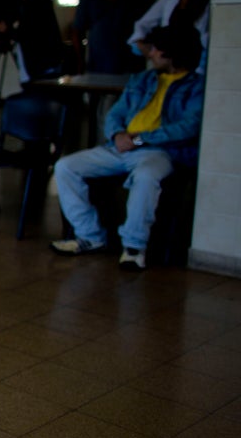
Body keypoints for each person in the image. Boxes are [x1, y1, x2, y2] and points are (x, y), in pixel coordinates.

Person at [50, 25, 204, 271]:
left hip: (161, 150)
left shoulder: (196, 86)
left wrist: (140, 139)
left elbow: (188, 127)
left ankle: (134, 248)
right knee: (66, 166)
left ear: (170, 53)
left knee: (146, 176)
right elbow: (117, 112)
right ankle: (90, 236)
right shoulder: (143, 79)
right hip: (120, 146)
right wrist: (117, 134)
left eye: (155, 49)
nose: (150, 53)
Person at [0, 0, 64, 83]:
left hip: (45, 64)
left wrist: (7, 29)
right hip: (32, 66)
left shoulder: (39, 2)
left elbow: (28, 32)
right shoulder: (21, 4)